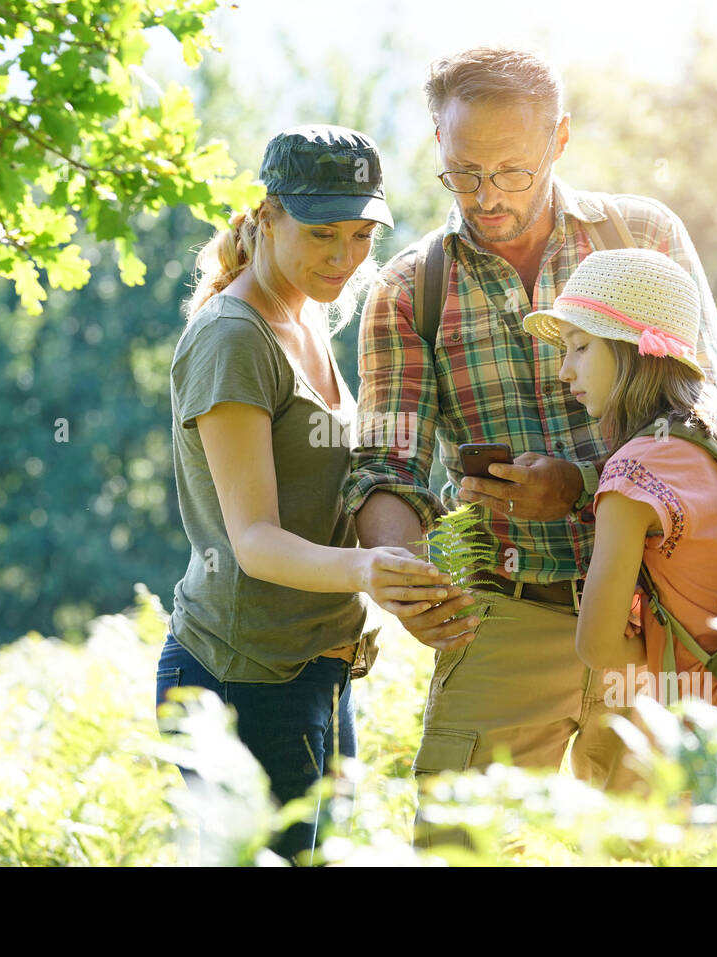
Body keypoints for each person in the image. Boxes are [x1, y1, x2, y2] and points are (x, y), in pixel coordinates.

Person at [344, 48, 717, 809]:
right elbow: (384, 466)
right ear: (438, 147)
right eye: (463, 173)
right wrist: (408, 577)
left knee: (658, 850)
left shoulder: (640, 239)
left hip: (662, 617)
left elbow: (712, 430)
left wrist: (583, 487)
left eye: (512, 171)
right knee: (466, 846)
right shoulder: (406, 291)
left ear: (559, 141)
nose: (486, 197)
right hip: (507, 612)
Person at [156, 125, 453, 863]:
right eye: (323, 232)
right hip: (241, 676)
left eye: (360, 234)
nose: (345, 257)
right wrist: (366, 572)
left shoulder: (311, 311)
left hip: (316, 668)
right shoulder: (233, 338)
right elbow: (253, 541)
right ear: (267, 212)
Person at [522, 246, 717, 826]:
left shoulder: (630, 475)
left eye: (580, 347)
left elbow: (595, 645)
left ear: (633, 353)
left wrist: (662, 659)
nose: (564, 370)